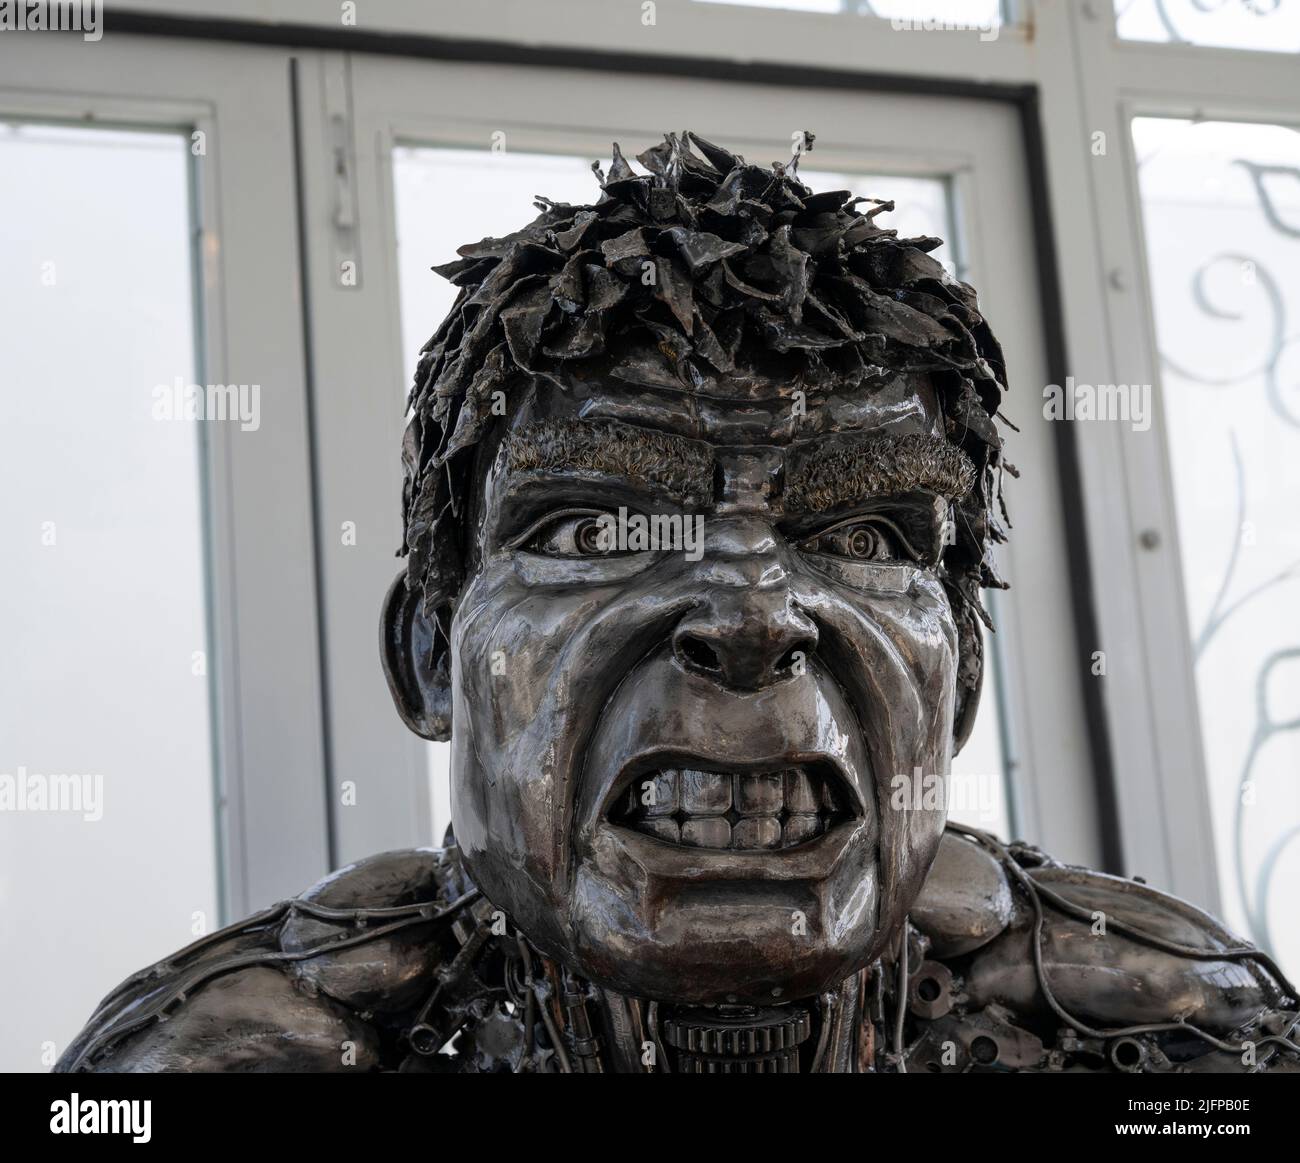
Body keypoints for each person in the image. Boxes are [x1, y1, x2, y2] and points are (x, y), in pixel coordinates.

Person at [57, 132, 1297, 1073]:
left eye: (862, 532)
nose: (752, 616)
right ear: (433, 653)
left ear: (962, 677)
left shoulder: (1166, 1034)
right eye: (592, 526)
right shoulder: (228, 1053)